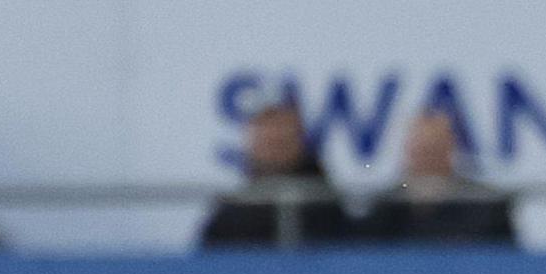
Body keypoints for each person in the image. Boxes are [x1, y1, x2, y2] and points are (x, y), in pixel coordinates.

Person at [200, 97, 355, 248]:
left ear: (299, 142)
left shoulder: (323, 206)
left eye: (280, 141)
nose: (273, 147)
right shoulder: (231, 215)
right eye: (266, 142)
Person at [364, 106, 516, 246]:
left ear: (449, 149)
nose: (427, 159)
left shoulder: (485, 204)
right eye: (421, 151)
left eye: (434, 150)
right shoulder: (387, 206)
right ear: (408, 152)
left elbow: (505, 262)